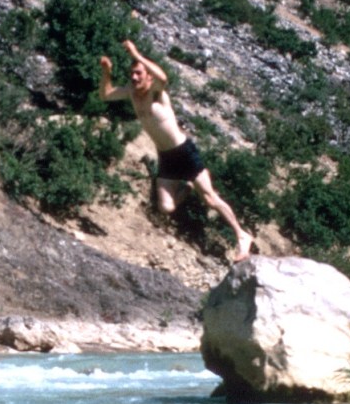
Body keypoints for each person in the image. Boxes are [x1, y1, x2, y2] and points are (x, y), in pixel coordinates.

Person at [98, 38, 254, 260]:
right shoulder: (132, 93)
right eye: (132, 74)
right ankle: (188, 186)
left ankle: (241, 236)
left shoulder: (157, 92)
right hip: (166, 158)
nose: (134, 77)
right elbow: (105, 95)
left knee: (210, 198)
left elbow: (163, 77)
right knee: (166, 207)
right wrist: (107, 71)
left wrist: (137, 54)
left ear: (148, 76)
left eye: (138, 74)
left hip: (184, 152)